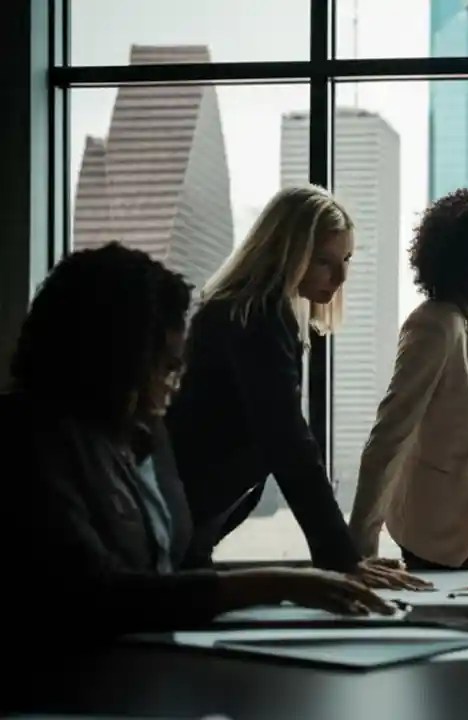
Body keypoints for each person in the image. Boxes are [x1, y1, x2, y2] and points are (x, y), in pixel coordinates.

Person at [3, 243, 395, 637]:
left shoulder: (145, 436)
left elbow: (174, 567)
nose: (176, 382)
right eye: (166, 366)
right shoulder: (30, 442)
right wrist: (281, 583)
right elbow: (95, 593)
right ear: (114, 357)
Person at [165, 186, 425, 590]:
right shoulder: (259, 317)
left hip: (186, 504)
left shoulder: (242, 309)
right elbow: (287, 441)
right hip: (183, 505)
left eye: (346, 260)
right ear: (286, 251)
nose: (340, 277)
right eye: (324, 261)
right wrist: (341, 557)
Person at [348, 188, 468, 570]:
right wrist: (360, 547)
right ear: (457, 267)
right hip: (433, 514)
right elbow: (389, 436)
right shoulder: (435, 326)